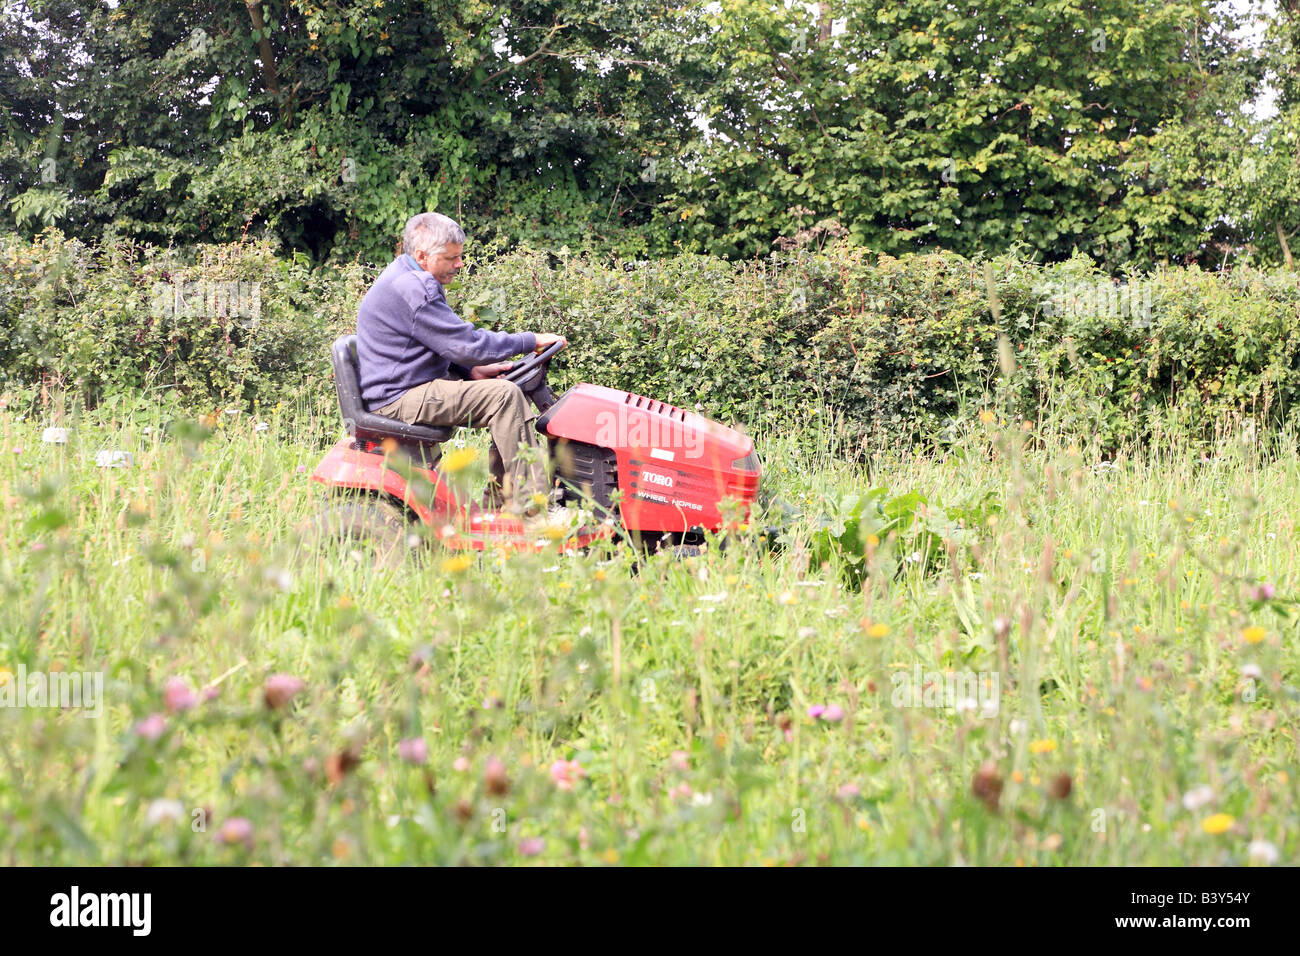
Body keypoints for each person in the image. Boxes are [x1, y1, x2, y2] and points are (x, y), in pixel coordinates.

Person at [356, 212, 567, 526]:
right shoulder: (415, 289)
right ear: (422, 256)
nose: (459, 264)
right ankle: (534, 511)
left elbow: (434, 341)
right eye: (451, 258)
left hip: (405, 385)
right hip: (398, 398)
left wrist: (471, 372)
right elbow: (467, 345)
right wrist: (530, 340)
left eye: (460, 256)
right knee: (504, 398)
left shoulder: (409, 275)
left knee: (506, 390)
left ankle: (503, 502)